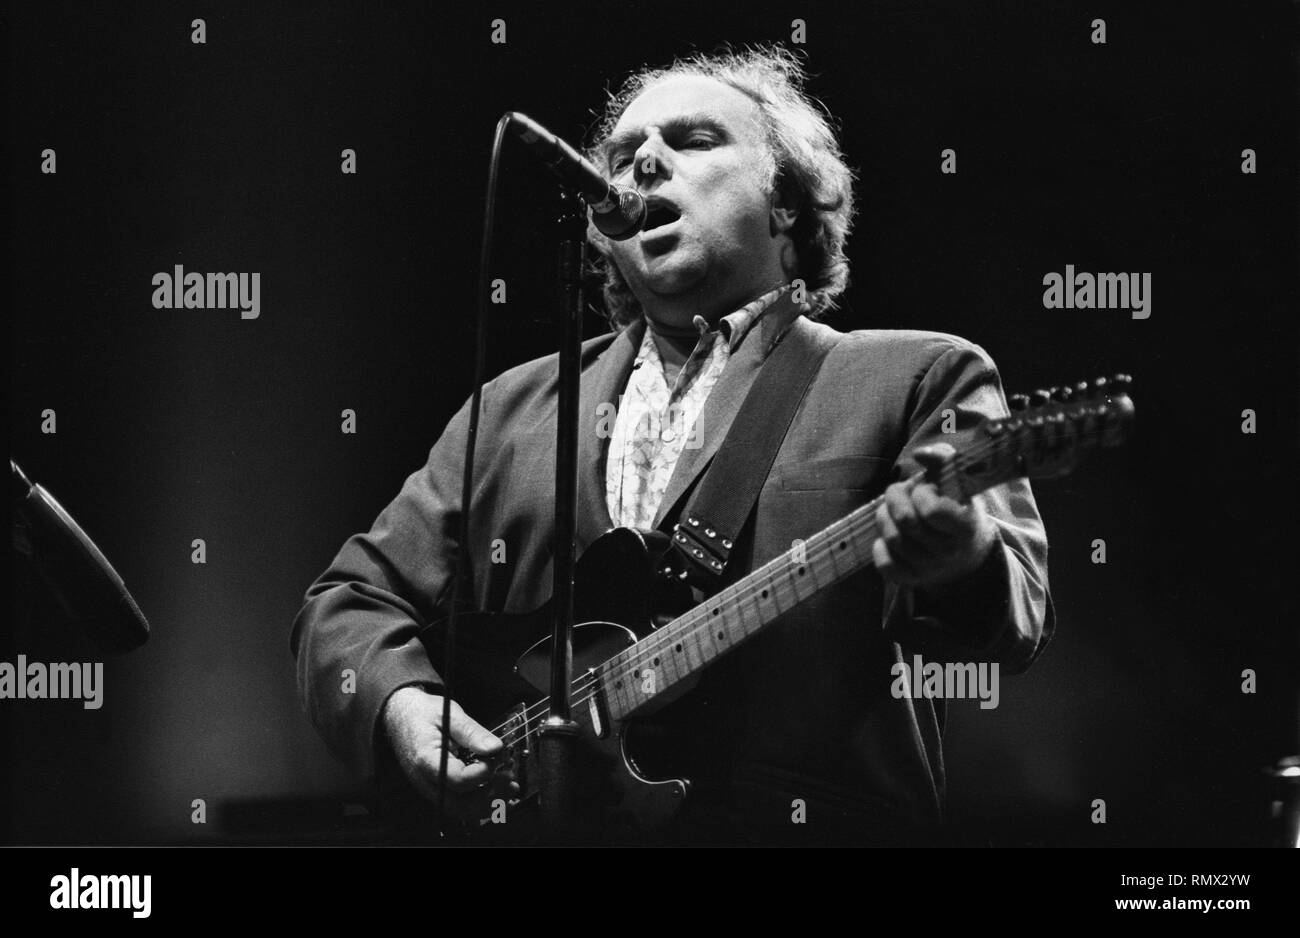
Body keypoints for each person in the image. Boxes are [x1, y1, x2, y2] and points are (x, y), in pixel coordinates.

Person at [290, 46, 1054, 846]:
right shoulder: (515, 407)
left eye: (693, 140)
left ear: (785, 202)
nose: (643, 161)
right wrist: (403, 707)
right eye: (622, 157)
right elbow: (346, 603)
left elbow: (1014, 621)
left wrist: (964, 557)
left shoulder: (914, 375)